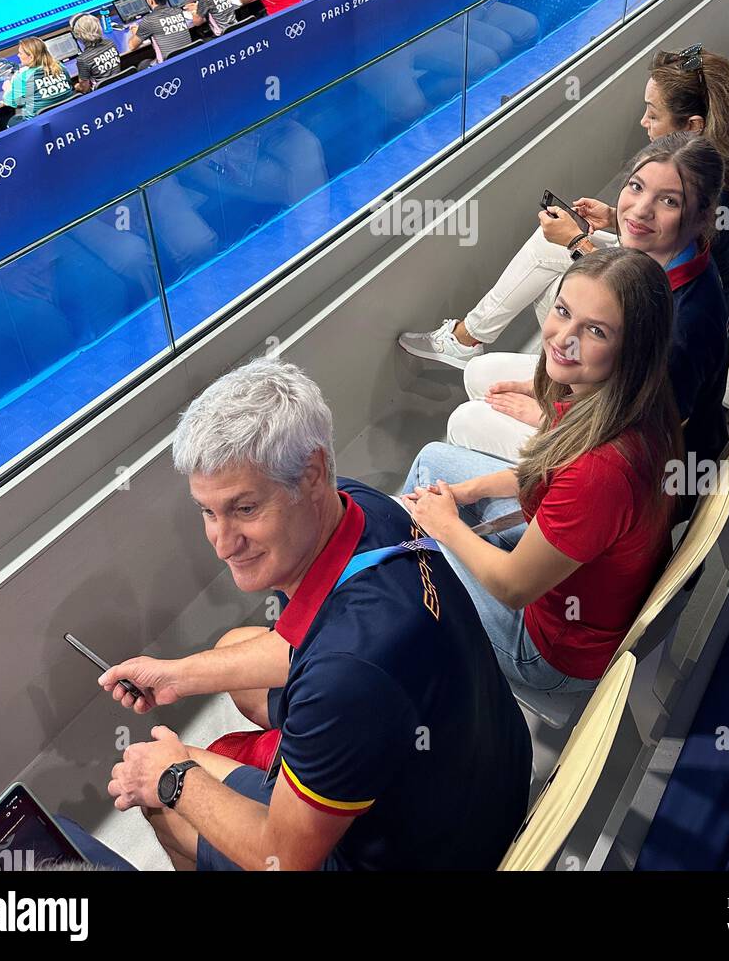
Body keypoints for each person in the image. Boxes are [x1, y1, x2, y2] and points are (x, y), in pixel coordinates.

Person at [82, 359, 532, 872]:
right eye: (209, 512)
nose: (222, 544)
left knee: (157, 797)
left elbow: (284, 858)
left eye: (245, 509)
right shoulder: (368, 508)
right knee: (233, 646)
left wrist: (172, 777)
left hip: (431, 856)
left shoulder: (347, 676)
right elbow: (313, 641)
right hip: (493, 776)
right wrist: (175, 675)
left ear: (312, 474)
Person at [402, 248, 682, 701]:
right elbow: (542, 470)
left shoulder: (600, 471)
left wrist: (448, 525)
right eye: (563, 311)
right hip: (583, 579)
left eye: (594, 330)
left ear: (631, 348)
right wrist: (470, 490)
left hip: (548, 651)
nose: (563, 339)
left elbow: (513, 588)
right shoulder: (616, 399)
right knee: (436, 459)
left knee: (408, 551)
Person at [403, 135, 729, 479]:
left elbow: (643, 437)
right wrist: (546, 392)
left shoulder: (683, 325)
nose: (641, 209)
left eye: (669, 201)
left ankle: (534, 492)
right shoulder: (676, 255)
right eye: (636, 186)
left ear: (701, 216)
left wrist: (550, 416)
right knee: (479, 374)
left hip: (638, 467)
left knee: (465, 421)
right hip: (608, 398)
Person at [401, 45, 729, 351]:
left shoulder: (700, 198)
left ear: (692, 126)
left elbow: (647, 287)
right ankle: (469, 338)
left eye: (653, 114)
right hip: (704, 306)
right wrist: (616, 217)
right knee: (546, 252)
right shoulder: (713, 168)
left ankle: (548, 376)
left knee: (558, 290)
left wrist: (576, 240)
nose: (643, 122)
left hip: (667, 328)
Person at [1, 37, 74, 122]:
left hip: (37, 123)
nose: (18, 55)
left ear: (31, 57)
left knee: (9, 120)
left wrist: (8, 88)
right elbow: (70, 84)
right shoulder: (60, 67)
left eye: (20, 53)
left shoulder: (22, 77)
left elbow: (11, 102)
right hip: (68, 115)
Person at [127, 0, 194, 60]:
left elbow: (132, 46)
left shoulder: (149, 20)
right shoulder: (178, 12)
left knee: (143, 64)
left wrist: (134, 30)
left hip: (168, 65)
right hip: (189, 57)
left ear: (151, 0)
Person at [72, 14, 121, 92]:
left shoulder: (83, 59)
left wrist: (77, 87)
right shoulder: (110, 43)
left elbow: (85, 88)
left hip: (102, 94)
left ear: (77, 35)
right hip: (120, 86)